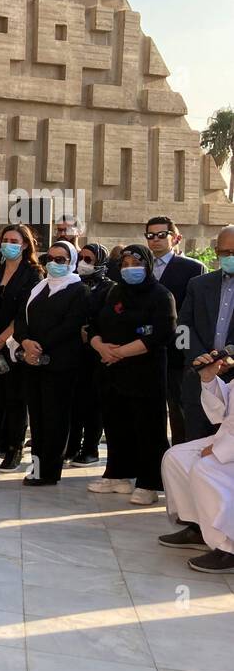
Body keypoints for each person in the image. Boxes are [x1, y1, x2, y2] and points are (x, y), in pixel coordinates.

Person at [87, 243, 176, 505]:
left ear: (147, 266)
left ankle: (149, 483)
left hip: (145, 375)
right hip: (112, 371)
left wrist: (120, 352)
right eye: (125, 265)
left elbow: (162, 333)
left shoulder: (161, 295)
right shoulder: (114, 292)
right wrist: (101, 346)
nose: (129, 270)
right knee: (116, 425)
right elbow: (93, 324)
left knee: (147, 428)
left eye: (135, 265)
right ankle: (117, 475)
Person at [13, 241, 89, 485]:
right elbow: (21, 319)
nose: (54, 263)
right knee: (37, 418)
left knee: (55, 418)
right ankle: (36, 468)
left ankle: (49, 471)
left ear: (71, 261)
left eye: (61, 259)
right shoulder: (38, 288)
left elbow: (70, 325)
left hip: (61, 364)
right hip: (33, 362)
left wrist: (39, 345)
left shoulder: (79, 290)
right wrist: (25, 342)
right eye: (51, 258)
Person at [158, 348, 234, 572]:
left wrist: (220, 449)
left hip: (229, 444)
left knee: (206, 470)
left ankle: (229, 547)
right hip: (227, 438)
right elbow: (223, 410)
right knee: (176, 457)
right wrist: (209, 377)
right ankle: (200, 528)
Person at [0, 224, 40, 469]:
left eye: (14, 240)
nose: (8, 244)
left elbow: (26, 312)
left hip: (14, 347)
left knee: (15, 399)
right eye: (5, 240)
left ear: (24, 244)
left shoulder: (33, 274)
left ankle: (14, 447)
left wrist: (1, 339)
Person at [145, 216, 203, 445]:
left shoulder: (192, 267)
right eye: (150, 236)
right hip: (143, 347)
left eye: (161, 235)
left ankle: (182, 454)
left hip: (177, 349)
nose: (155, 240)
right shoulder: (139, 265)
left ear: (174, 237)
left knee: (179, 406)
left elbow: (194, 313)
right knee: (148, 408)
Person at [176, 226, 234, 440]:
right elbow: (182, 327)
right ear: (217, 252)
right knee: (197, 447)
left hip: (232, 382)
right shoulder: (198, 285)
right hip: (199, 381)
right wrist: (200, 359)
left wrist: (229, 358)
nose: (230, 257)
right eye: (225, 252)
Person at [66, 242, 113, 466]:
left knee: (94, 403)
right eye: (80, 258)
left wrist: (93, 332)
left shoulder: (109, 288)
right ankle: (71, 445)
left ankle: (90, 448)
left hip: (96, 354)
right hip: (74, 352)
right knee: (74, 402)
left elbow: (109, 317)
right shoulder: (73, 283)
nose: (83, 264)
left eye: (88, 259)